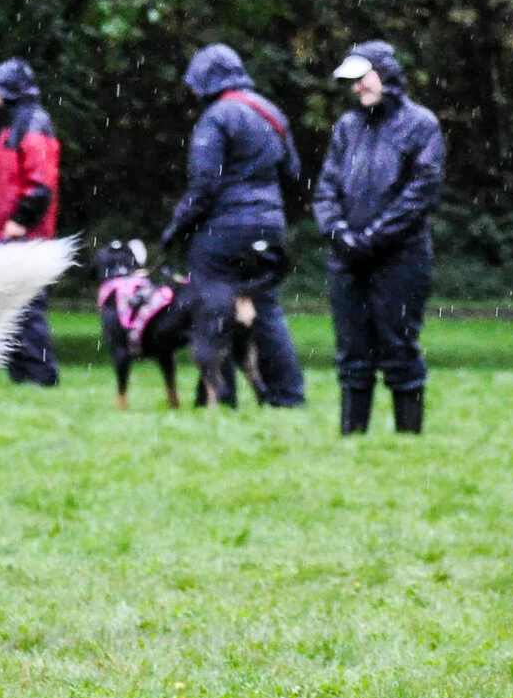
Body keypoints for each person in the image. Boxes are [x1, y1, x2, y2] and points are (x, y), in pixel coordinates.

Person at [160, 43, 306, 409]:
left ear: (206, 82)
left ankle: (221, 398)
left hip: (223, 231)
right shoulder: (270, 112)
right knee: (266, 310)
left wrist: (176, 228)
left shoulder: (217, 117)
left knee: (213, 308)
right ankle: (288, 396)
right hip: (268, 225)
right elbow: (292, 172)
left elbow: (204, 185)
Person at [313, 41, 444, 435]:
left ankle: (407, 441)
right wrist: (339, 233)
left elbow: (421, 193)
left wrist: (372, 236)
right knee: (352, 352)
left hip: (401, 258)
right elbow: (326, 188)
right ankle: (353, 438)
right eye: (350, 81)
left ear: (385, 74)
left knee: (399, 347)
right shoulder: (347, 127)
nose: (356, 88)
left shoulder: (421, 125)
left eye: (361, 77)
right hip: (347, 259)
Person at [0, 58, 60, 385]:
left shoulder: (34, 123)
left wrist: (21, 221)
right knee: (12, 308)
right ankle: (24, 376)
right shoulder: (16, 124)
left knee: (26, 307)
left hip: (23, 234)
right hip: (3, 232)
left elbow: (40, 185)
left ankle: (41, 376)